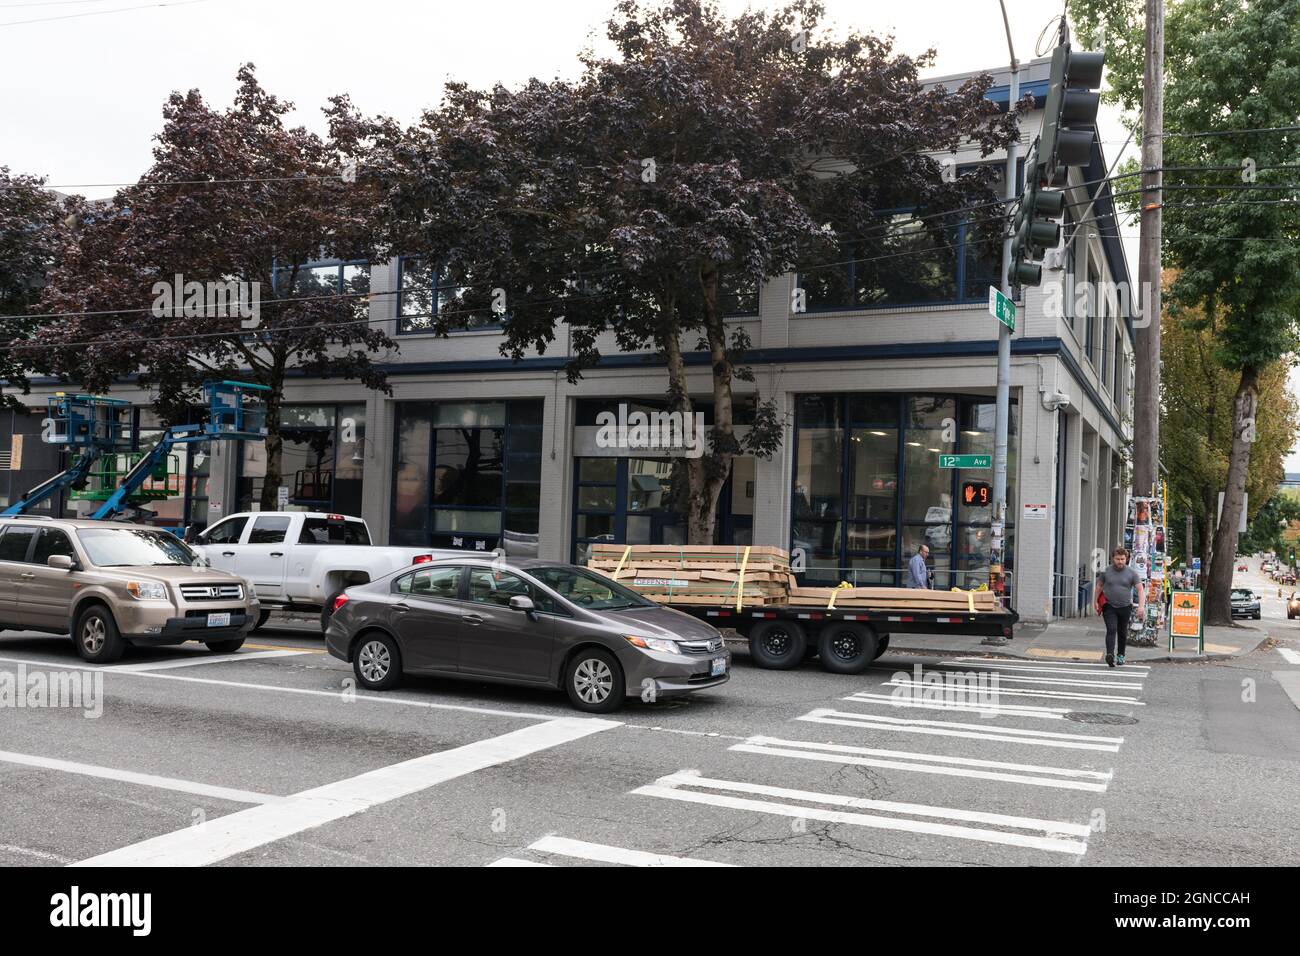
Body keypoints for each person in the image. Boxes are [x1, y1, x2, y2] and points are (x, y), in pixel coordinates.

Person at [1095, 547, 1144, 667]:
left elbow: (1140, 590)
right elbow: (1099, 586)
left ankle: (1121, 655)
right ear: (1113, 558)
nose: (1120, 561)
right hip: (1109, 605)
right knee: (1111, 629)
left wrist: (1141, 607)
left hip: (1125, 607)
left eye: (1122, 559)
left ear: (1126, 559)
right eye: (1118, 559)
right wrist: (1095, 601)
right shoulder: (1106, 571)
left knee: (1122, 632)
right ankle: (1110, 655)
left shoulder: (1132, 573)